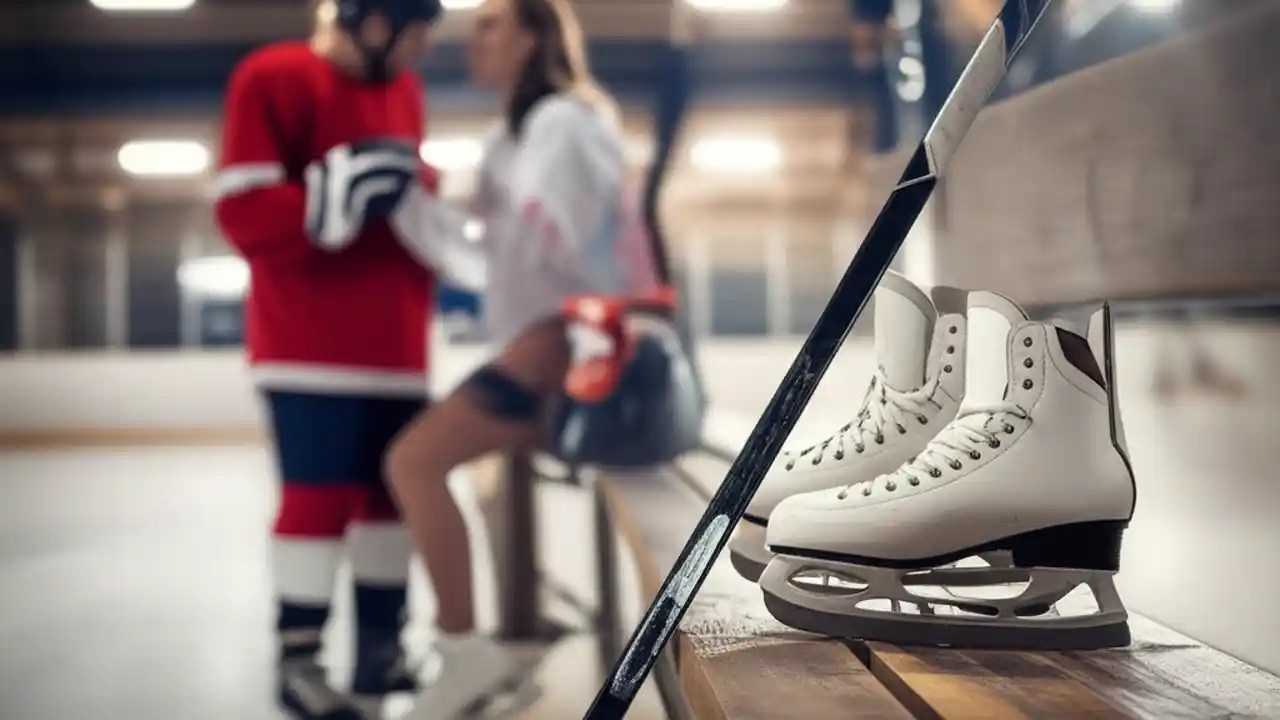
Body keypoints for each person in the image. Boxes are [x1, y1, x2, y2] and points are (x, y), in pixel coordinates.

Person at [382, 0, 679, 715]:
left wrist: (461, 210)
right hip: (545, 344)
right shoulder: (506, 140)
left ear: (532, 37)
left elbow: (565, 242)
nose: (471, 38)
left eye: (490, 24)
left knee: (413, 461)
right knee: (478, 481)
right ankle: (508, 638)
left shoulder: (565, 122)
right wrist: (405, 199)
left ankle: (467, 650)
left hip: (577, 346)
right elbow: (477, 256)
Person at [213, 1, 451, 718]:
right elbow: (242, 208)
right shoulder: (274, 74)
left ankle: (382, 648)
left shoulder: (403, 91)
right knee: (316, 500)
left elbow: (408, 202)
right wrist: (330, 195)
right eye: (412, 34)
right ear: (372, 21)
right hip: (306, 345)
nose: (417, 52)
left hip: (400, 347)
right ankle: (300, 659)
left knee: (389, 500)